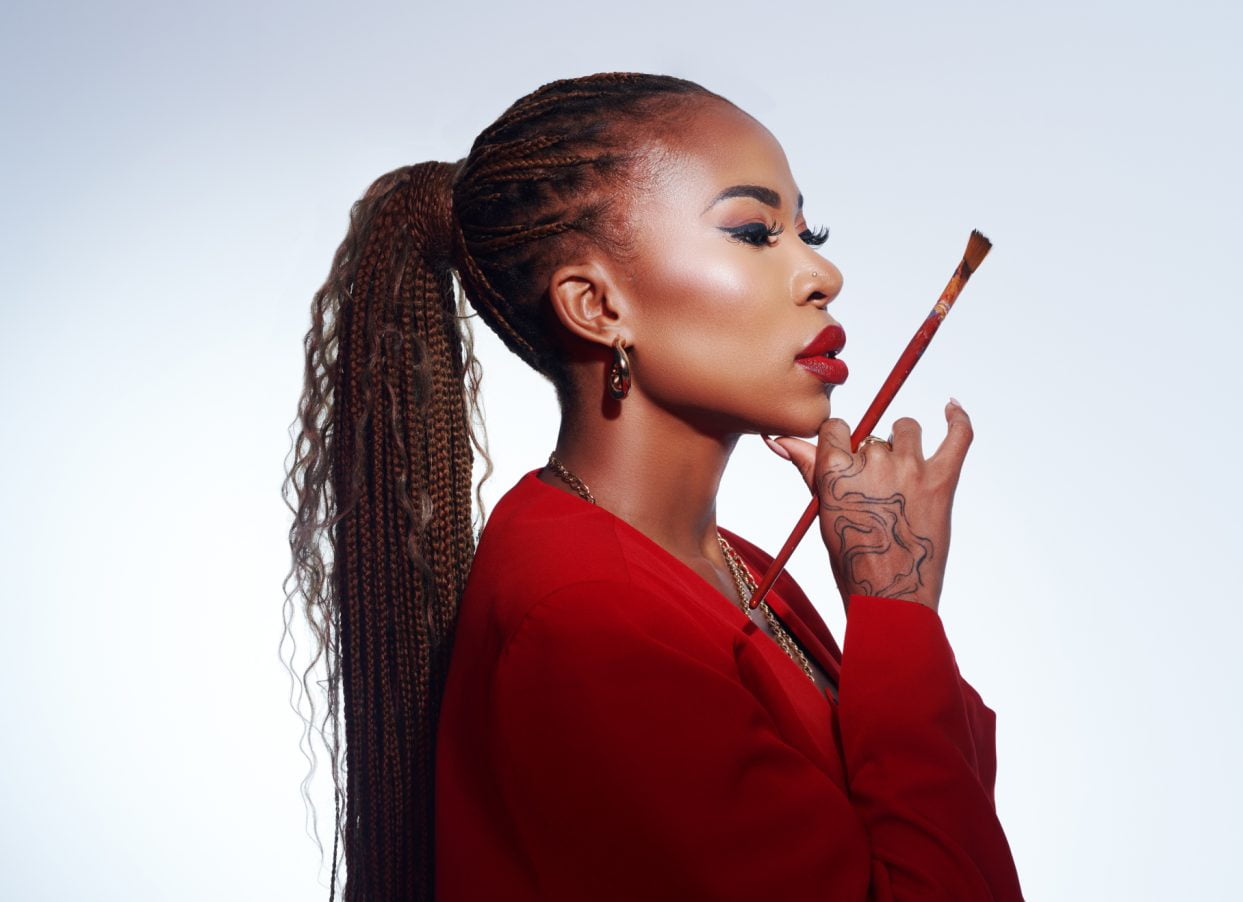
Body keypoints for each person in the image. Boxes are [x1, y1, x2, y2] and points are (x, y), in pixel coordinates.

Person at [284, 71, 1024, 901]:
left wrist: (893, 615)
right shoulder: (592, 619)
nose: (823, 274)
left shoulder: (726, 565)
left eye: (807, 230)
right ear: (597, 306)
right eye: (755, 233)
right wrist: (896, 607)